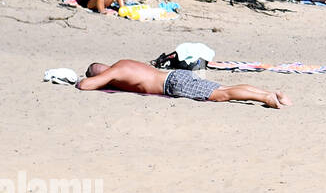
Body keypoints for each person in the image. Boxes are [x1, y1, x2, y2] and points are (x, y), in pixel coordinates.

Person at [76, 59, 289, 108]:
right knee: (223, 89)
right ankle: (269, 93)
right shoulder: (124, 64)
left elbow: (85, 85)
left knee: (222, 94)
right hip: (175, 76)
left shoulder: (116, 70)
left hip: (173, 83)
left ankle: (265, 97)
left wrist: (86, 80)